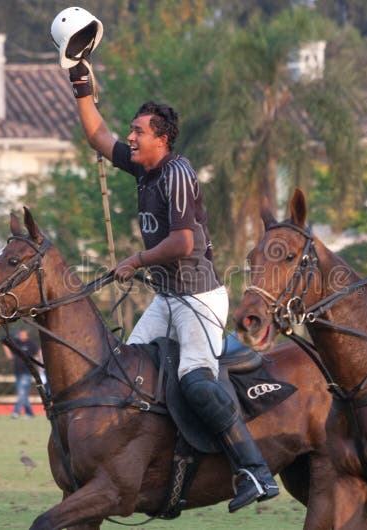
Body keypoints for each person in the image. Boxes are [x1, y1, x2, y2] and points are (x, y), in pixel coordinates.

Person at [60, 43, 279, 513]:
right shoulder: (142, 169)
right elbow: (98, 136)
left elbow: (184, 243)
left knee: (196, 381)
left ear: (162, 138)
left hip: (199, 297)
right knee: (127, 371)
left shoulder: (177, 172)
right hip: (166, 299)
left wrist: (136, 261)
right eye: (133, 131)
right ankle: (158, 463)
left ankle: (255, 472)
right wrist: (80, 81)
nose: (131, 138)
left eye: (139, 132)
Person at [2, 328, 41, 419]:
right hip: (18, 372)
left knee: (21, 393)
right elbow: (8, 351)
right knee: (23, 394)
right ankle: (30, 413)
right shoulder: (17, 343)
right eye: (20, 334)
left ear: (27, 334)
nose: (21, 336)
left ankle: (16, 412)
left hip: (27, 372)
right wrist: (5, 348)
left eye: (22, 334)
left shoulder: (31, 344)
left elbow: (38, 352)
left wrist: (37, 364)